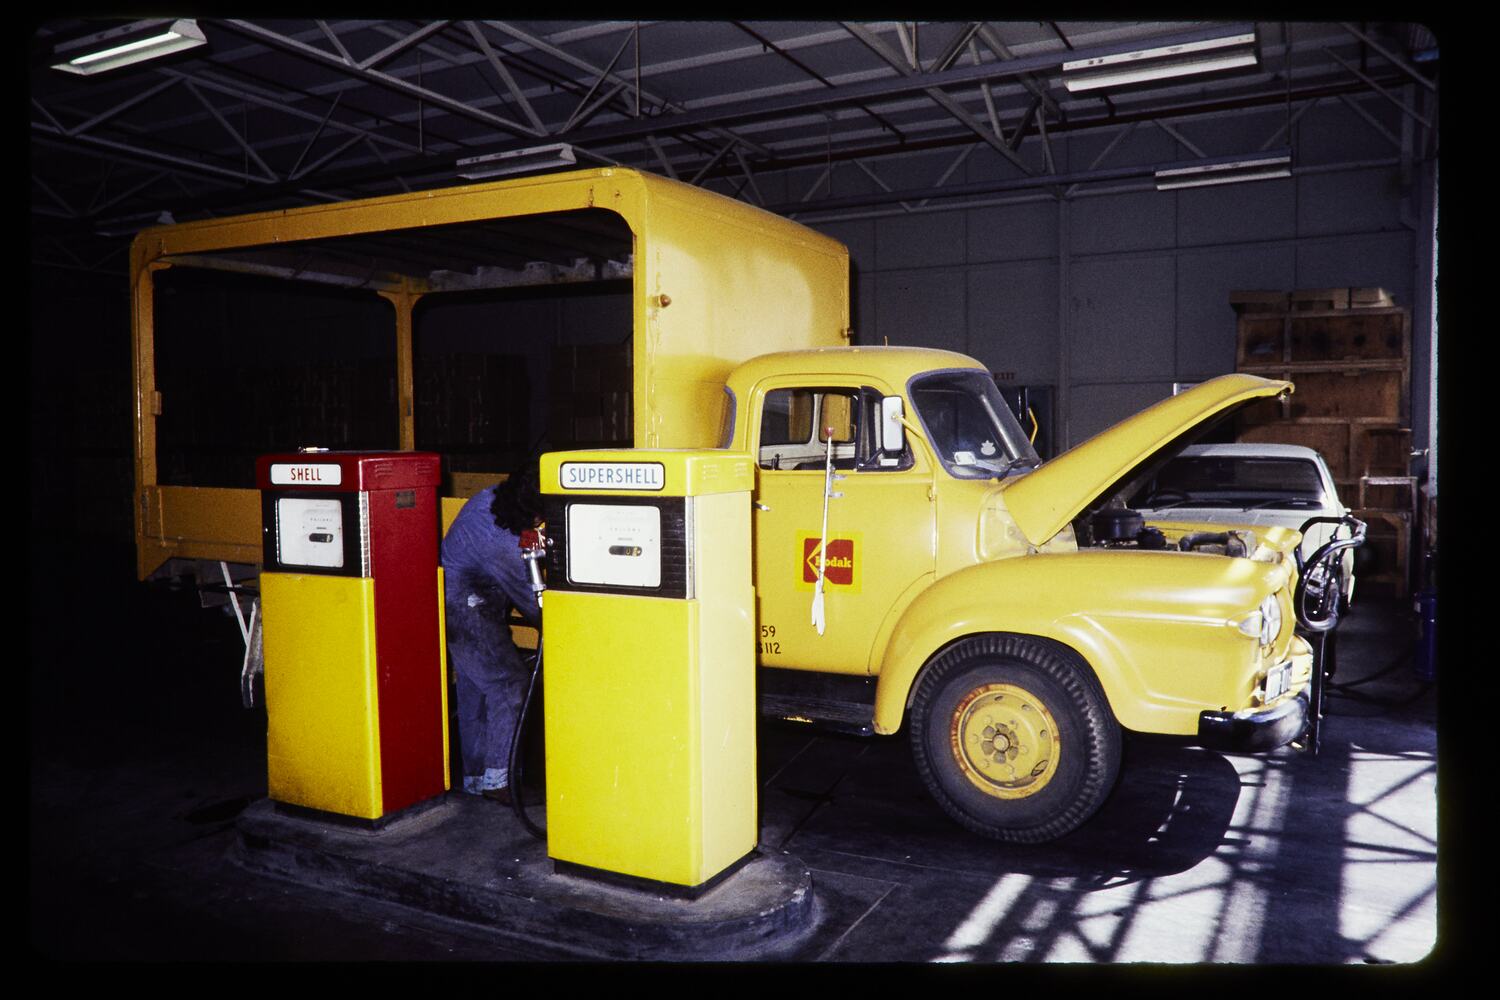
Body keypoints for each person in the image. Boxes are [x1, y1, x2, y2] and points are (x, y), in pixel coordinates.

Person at [441, 464, 543, 805]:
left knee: (476, 692)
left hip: (460, 602)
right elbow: (533, 603)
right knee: (510, 684)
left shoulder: (490, 498)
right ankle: (499, 781)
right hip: (466, 610)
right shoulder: (502, 542)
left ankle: (476, 780)